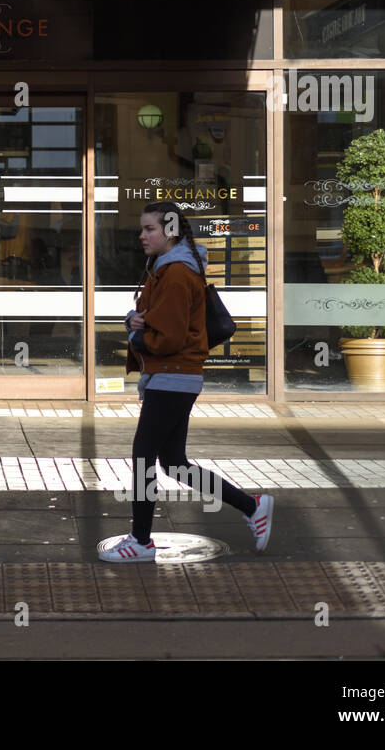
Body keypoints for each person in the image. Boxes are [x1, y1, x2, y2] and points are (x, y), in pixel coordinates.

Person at [99, 201, 274, 562]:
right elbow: (157, 319)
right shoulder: (167, 270)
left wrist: (136, 337)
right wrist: (136, 319)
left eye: (149, 229)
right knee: (174, 462)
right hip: (174, 376)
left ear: (171, 231)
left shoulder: (176, 273)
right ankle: (252, 506)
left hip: (173, 375)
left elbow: (171, 337)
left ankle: (141, 541)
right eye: (142, 228)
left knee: (144, 455)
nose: (141, 235)